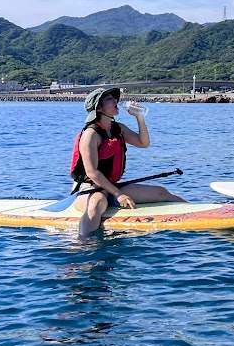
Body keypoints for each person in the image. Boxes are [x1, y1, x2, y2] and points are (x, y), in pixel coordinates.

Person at [70, 86, 185, 236]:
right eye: (109, 99)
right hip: (90, 189)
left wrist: (139, 117)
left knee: (161, 192)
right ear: (99, 108)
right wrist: (119, 195)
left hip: (112, 187)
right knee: (96, 205)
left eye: (114, 98)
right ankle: (83, 245)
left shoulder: (119, 129)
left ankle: (202, 210)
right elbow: (92, 172)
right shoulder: (90, 135)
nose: (115, 101)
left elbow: (143, 143)